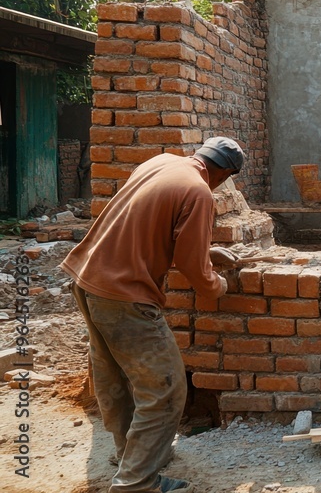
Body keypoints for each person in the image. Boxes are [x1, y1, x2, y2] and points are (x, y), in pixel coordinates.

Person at [60, 137, 245, 492]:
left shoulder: (161, 164)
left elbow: (150, 228)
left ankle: (130, 456)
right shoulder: (199, 191)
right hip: (124, 297)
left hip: (87, 281)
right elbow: (195, 270)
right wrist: (216, 284)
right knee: (165, 389)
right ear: (224, 173)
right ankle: (136, 484)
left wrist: (209, 249)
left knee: (113, 377)